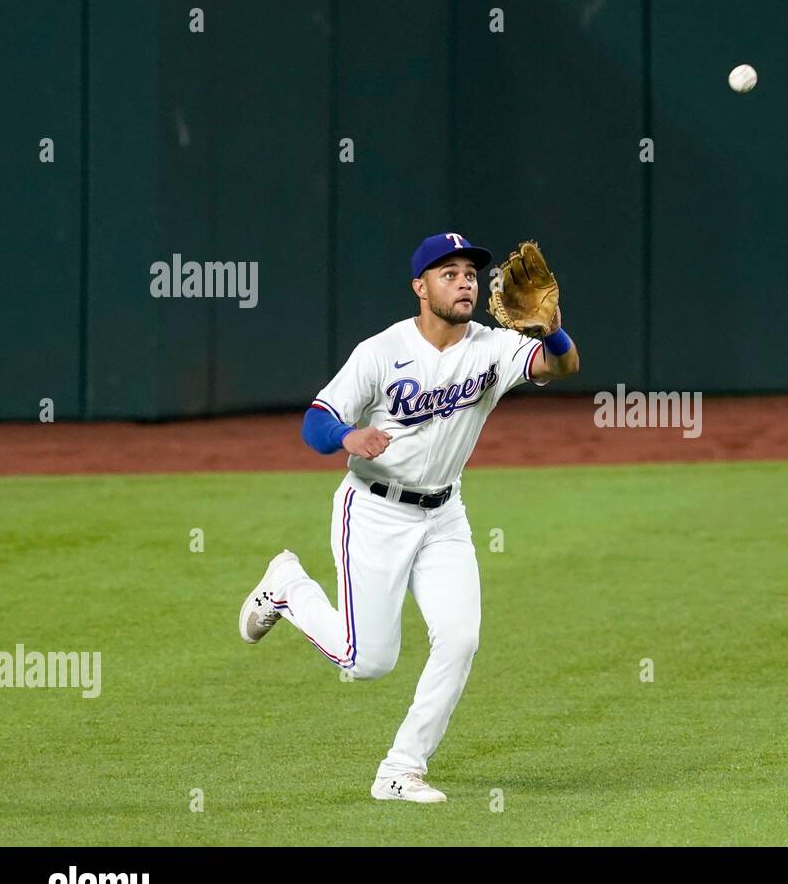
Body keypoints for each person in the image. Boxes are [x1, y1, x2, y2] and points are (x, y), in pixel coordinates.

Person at [237, 232, 579, 803]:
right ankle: (287, 587)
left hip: (445, 515)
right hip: (373, 512)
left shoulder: (493, 347)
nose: (465, 280)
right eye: (449, 273)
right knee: (367, 661)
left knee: (461, 640)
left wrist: (552, 329)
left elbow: (563, 366)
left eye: (471, 272)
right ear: (420, 288)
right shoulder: (380, 352)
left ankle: (400, 769)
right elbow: (314, 423)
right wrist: (349, 433)